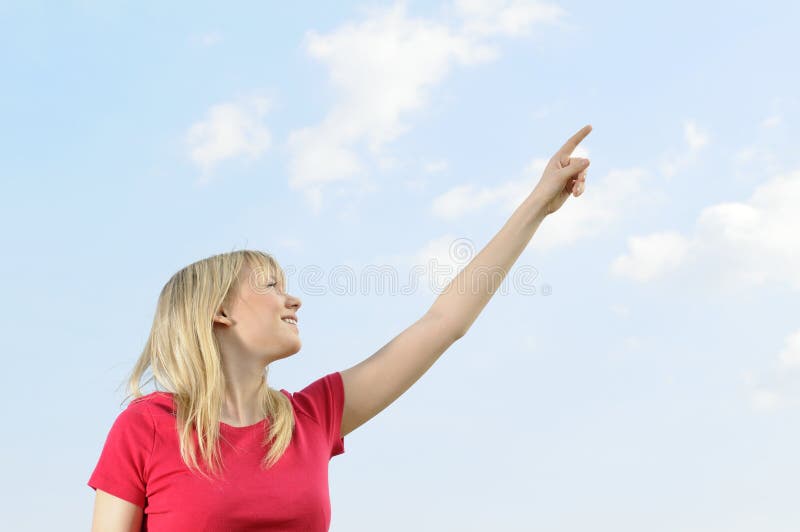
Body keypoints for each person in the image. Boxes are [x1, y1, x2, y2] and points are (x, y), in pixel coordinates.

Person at [87, 124, 593, 531]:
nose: (293, 298)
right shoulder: (148, 426)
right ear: (219, 312)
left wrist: (537, 207)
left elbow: (444, 323)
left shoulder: (312, 417)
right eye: (269, 285)